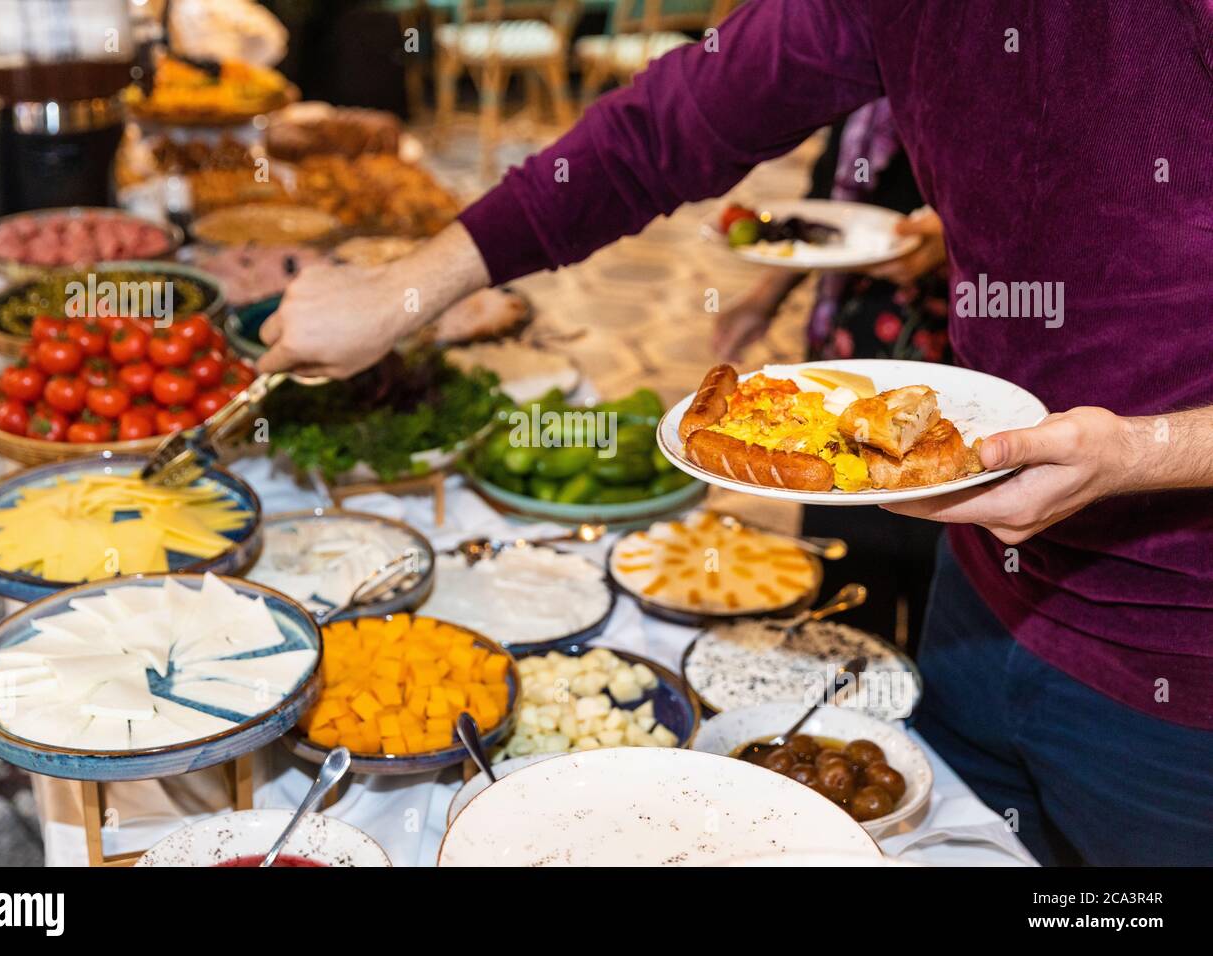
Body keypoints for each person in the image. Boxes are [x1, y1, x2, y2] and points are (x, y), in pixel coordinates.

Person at [259, 0, 1213, 865]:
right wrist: (402, 290)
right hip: (980, 589)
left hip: (1182, 674)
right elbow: (664, 128)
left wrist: (1143, 452)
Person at [714, 99, 950, 648]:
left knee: (931, 546)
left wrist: (956, 237)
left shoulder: (1005, 75)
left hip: (949, 351)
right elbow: (824, 218)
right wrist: (763, 299)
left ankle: (916, 703)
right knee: (842, 539)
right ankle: (839, 701)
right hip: (846, 344)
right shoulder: (868, 75)